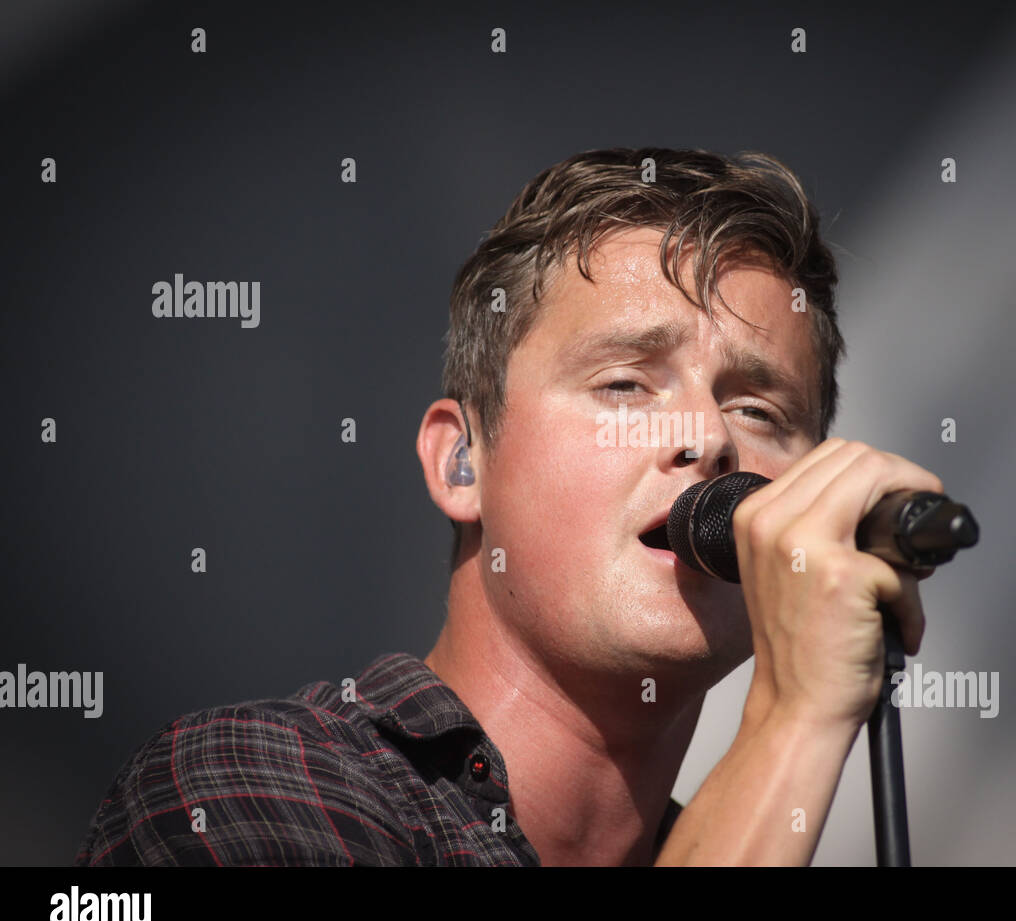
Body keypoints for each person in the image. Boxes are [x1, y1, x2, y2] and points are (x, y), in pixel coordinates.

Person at [75, 147, 942, 866]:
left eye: (759, 409)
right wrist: (791, 715)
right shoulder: (252, 783)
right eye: (626, 383)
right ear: (462, 460)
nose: (709, 437)